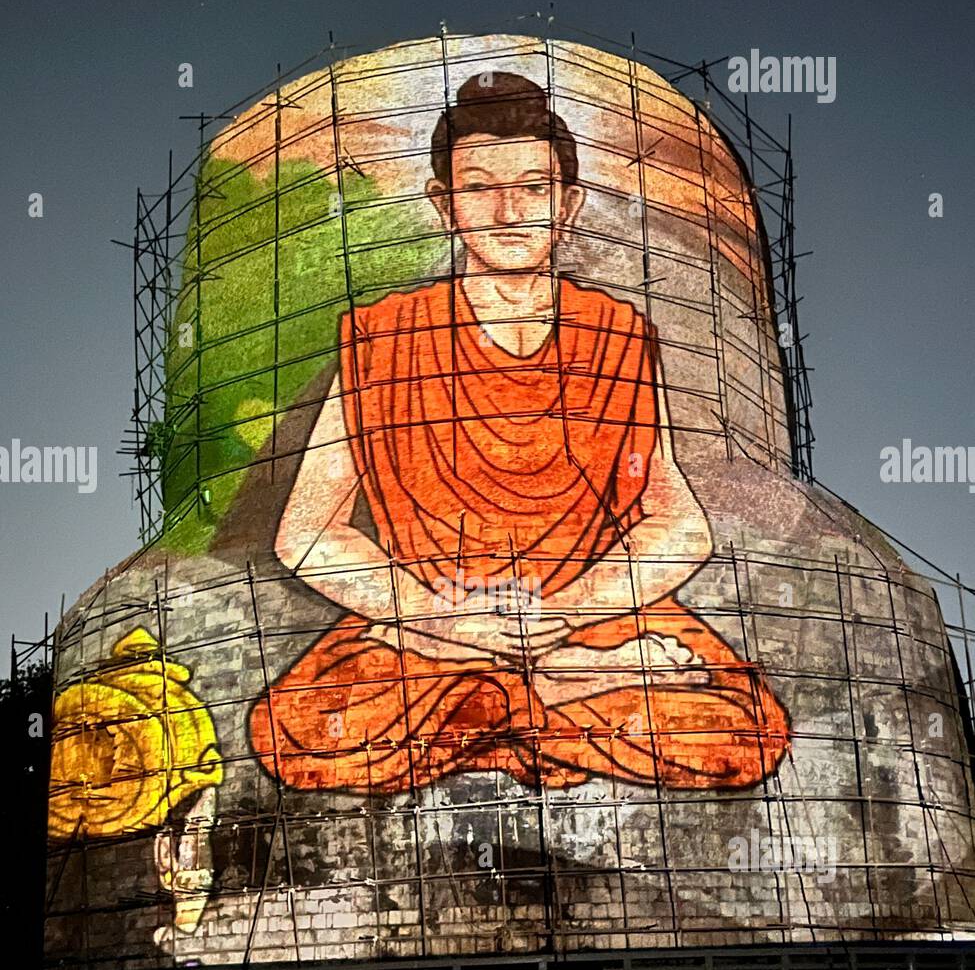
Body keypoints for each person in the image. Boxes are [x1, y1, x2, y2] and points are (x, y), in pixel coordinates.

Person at [250, 72, 790, 792]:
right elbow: (309, 534)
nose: (508, 212)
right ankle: (555, 690)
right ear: (444, 203)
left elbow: (677, 522)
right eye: (479, 188)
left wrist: (569, 614)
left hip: (582, 613)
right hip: (441, 619)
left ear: (566, 205)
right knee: (305, 731)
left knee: (737, 729)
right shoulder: (383, 338)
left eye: (533, 188)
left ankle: (530, 688)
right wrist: (437, 616)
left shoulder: (619, 336)